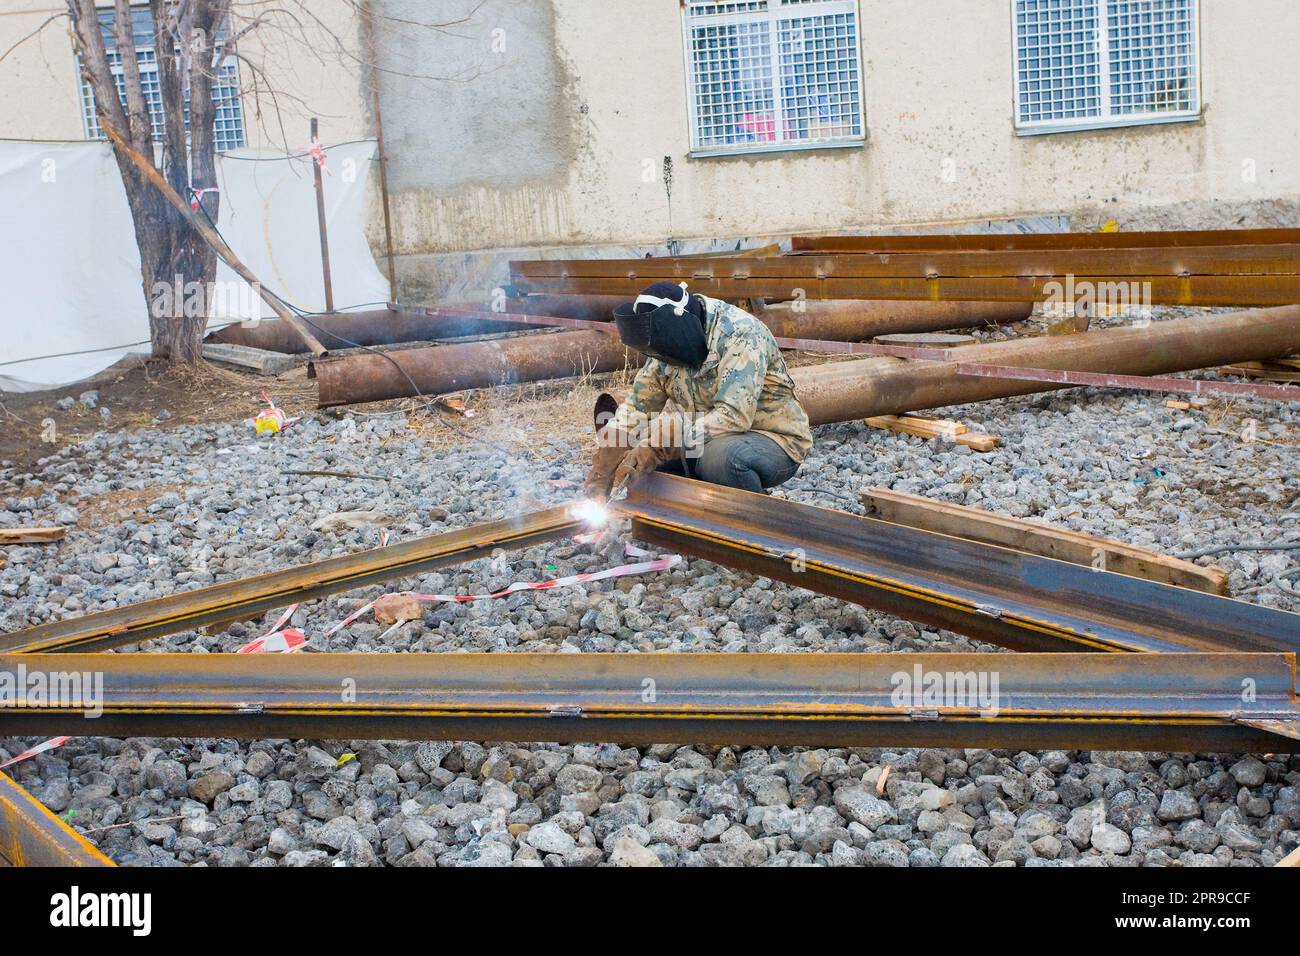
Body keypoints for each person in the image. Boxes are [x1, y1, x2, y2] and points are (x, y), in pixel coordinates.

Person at [585, 281, 812, 500]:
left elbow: (734, 417)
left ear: (678, 326)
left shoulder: (740, 334)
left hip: (773, 439)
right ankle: (695, 515)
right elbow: (637, 407)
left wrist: (660, 444)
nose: (658, 357)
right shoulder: (664, 344)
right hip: (706, 438)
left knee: (720, 460)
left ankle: (757, 519)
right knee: (649, 466)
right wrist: (603, 467)